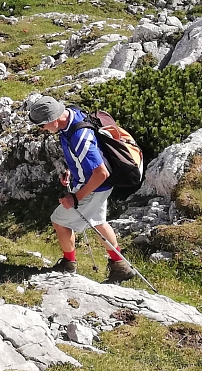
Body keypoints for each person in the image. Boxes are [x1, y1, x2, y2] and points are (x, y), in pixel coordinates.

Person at [27, 95, 138, 283]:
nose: (42, 129)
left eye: (42, 125)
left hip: (93, 186)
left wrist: (76, 198)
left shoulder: (79, 136)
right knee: (99, 222)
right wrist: (71, 170)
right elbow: (84, 156)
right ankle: (121, 267)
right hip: (96, 185)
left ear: (53, 119)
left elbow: (101, 173)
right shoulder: (72, 116)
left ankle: (68, 265)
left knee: (59, 221)